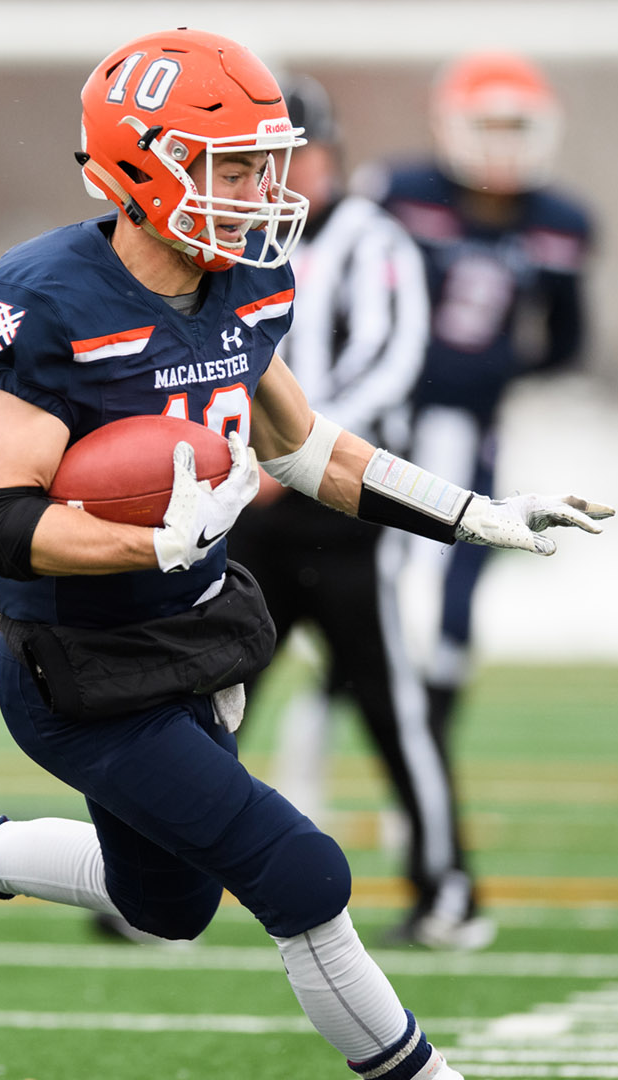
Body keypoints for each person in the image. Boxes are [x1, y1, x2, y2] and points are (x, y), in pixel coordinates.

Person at [0, 29, 611, 1080]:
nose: (264, 192)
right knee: (303, 874)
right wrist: (149, 540)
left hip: (192, 642)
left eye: (266, 165)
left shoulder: (246, 282)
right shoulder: (52, 301)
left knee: (170, 903)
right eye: (233, 168)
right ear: (143, 167)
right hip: (78, 667)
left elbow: (306, 448)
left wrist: (472, 514)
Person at [218, 77, 486, 951]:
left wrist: (289, 451)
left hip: (345, 513)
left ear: (329, 154)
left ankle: (447, 889)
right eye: (262, 160)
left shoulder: (375, 240)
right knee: (211, 695)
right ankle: (159, 884)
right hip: (256, 513)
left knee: (391, 706)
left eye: (295, 156)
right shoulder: (230, 240)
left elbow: (388, 365)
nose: (280, 176)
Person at [356, 50, 594, 945]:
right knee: (365, 618)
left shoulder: (563, 223)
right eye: (486, 124)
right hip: (383, 441)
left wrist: (491, 375)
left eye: (514, 126)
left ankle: (422, 794)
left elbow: (564, 341)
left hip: (474, 451)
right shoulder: (397, 195)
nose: (500, 145)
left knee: (448, 626)